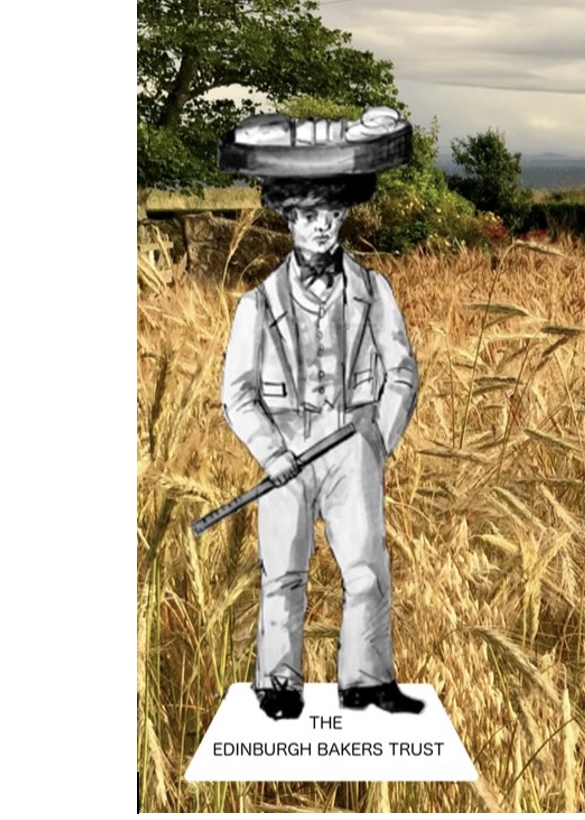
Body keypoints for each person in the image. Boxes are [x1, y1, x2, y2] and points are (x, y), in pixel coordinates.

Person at [218, 170, 423, 719]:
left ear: (343, 217)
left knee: (366, 567)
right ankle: (279, 686)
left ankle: (366, 681)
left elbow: (402, 372)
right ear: (289, 220)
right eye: (307, 215)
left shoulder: (373, 290)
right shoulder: (255, 307)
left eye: (330, 214)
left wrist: (379, 437)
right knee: (283, 570)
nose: (320, 226)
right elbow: (236, 395)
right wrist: (271, 451)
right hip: (284, 451)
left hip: (353, 443)